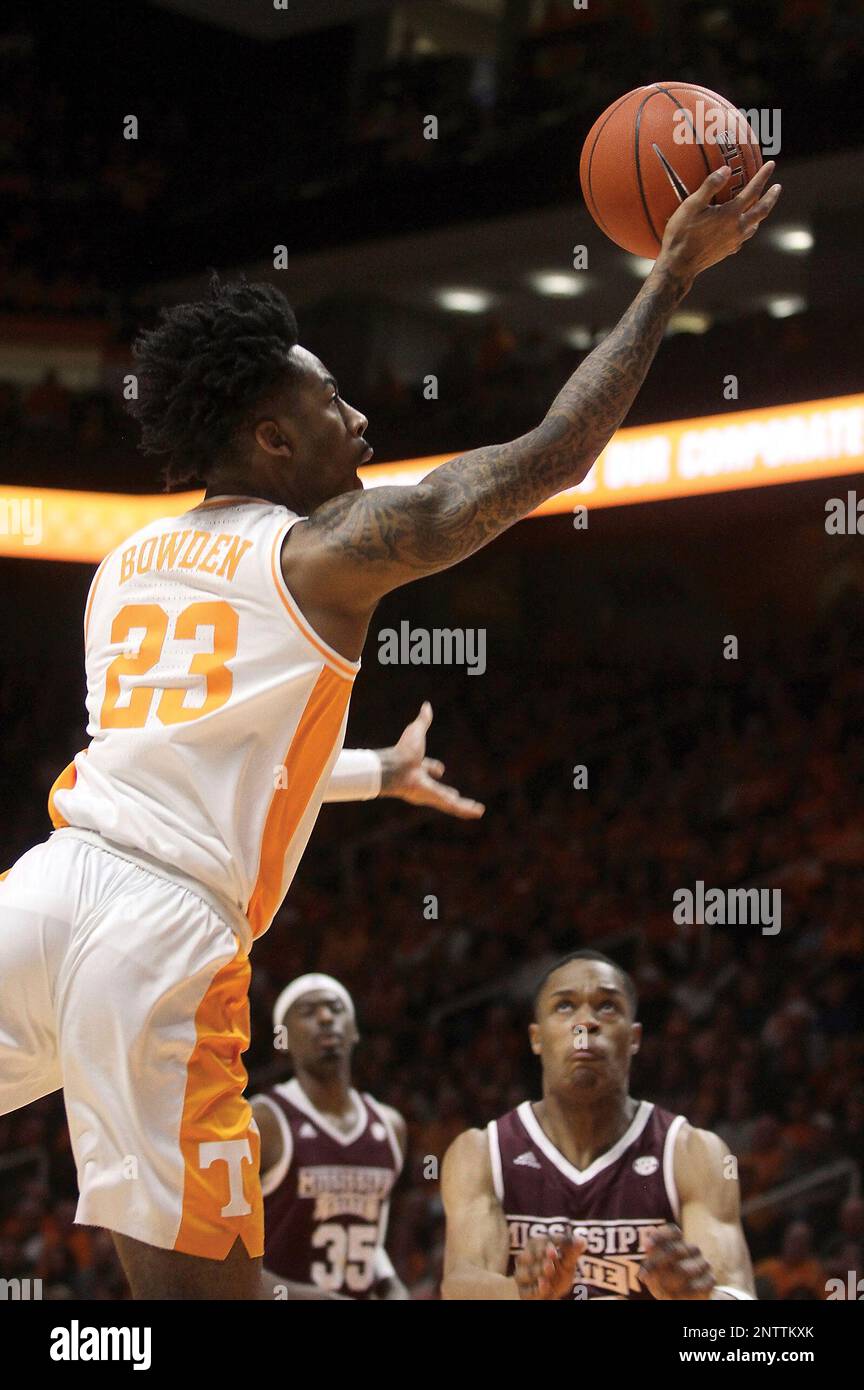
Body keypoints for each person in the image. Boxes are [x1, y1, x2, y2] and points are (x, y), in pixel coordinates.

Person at [0, 160, 781, 1299]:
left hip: (46, 890)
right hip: (161, 939)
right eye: (333, 405)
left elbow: (199, 755)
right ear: (272, 441)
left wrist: (369, 769)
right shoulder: (319, 556)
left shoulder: (123, 563)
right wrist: (666, 281)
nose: (362, 423)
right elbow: (546, 459)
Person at [441, 951, 757, 1300]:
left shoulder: (693, 1152)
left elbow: (738, 1298)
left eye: (607, 1006)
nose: (585, 1023)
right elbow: (459, 1287)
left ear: (634, 1037)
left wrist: (700, 1299)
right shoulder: (483, 1152)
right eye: (564, 1006)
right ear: (536, 1038)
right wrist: (521, 1292)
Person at [252, 974, 407, 1300]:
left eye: (335, 1009)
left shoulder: (390, 1126)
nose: (325, 1018)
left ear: (354, 1031)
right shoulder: (263, 1121)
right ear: (283, 1038)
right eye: (308, 1012)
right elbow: (228, 1263)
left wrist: (390, 1283)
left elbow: (369, 1236)